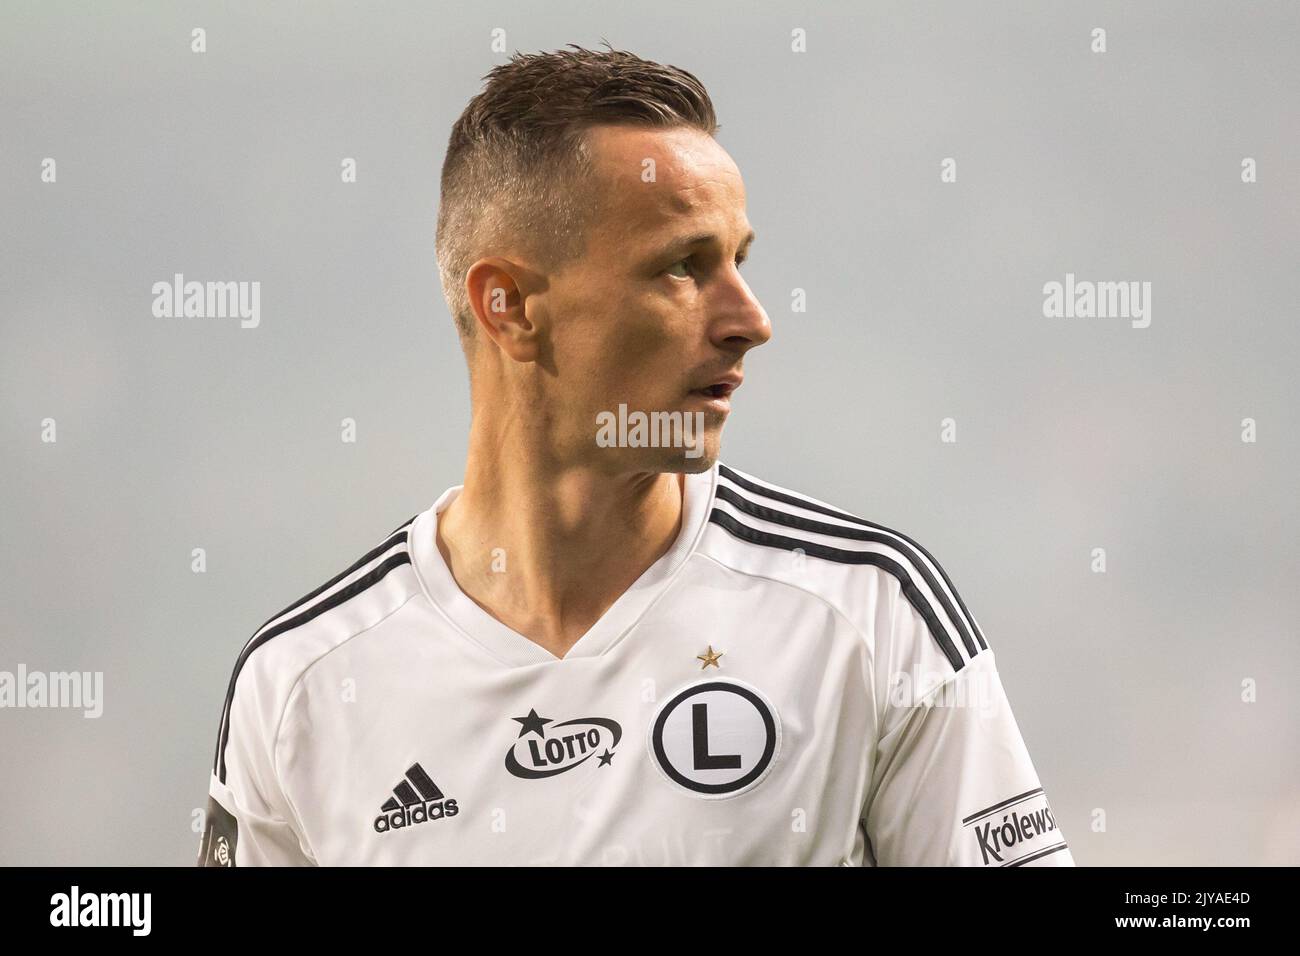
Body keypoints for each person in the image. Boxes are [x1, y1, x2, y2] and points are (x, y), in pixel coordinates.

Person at [199, 43, 1073, 866]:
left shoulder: (867, 613)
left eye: (739, 259)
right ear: (508, 306)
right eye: (682, 268)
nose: (750, 320)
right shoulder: (302, 685)